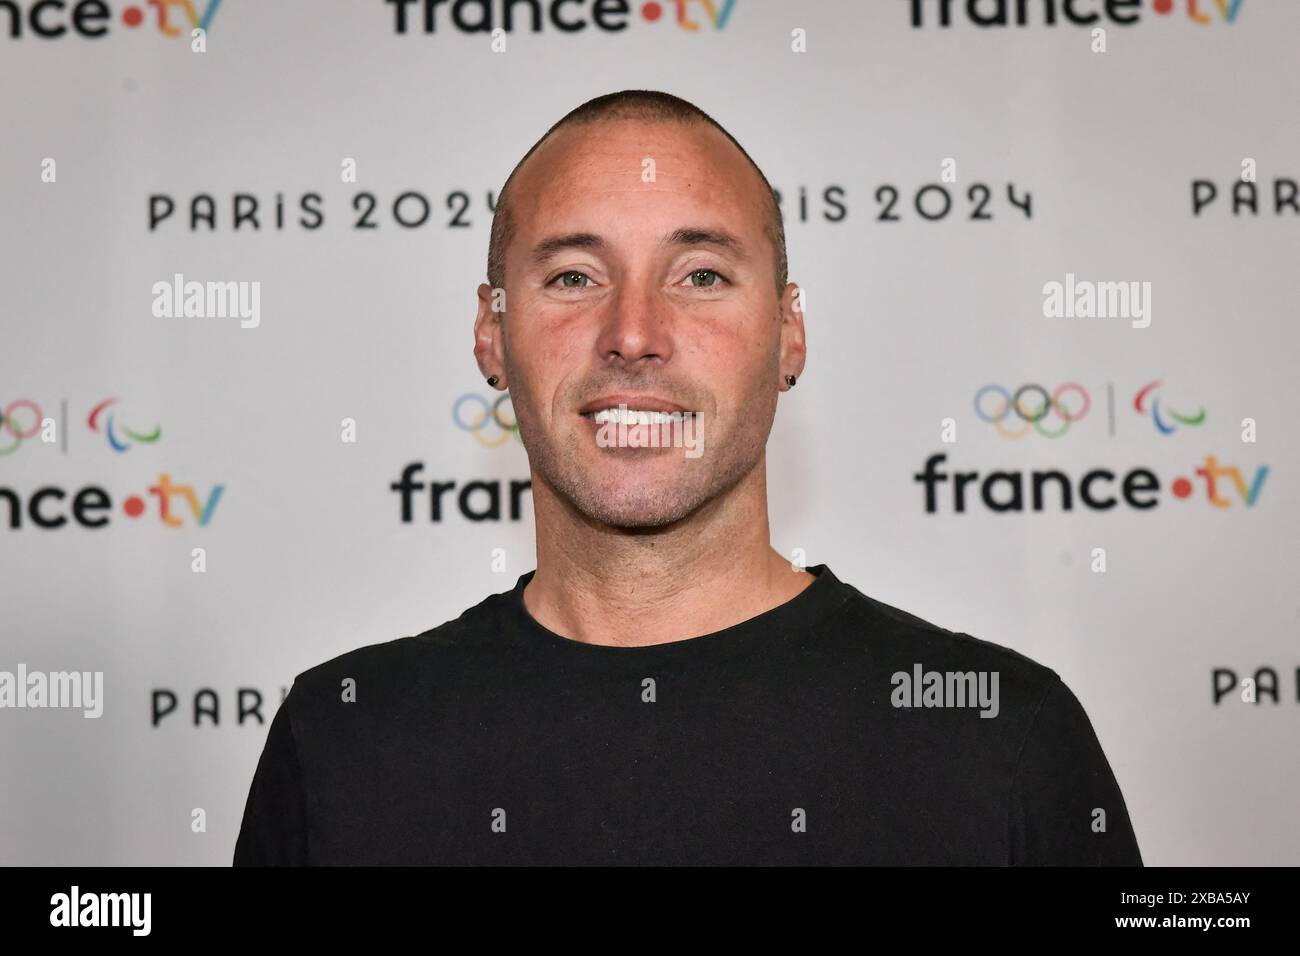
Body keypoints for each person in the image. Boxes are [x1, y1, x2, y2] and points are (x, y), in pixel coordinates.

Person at [234, 89, 1142, 866]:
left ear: (789, 334)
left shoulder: (1002, 736)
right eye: (575, 275)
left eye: (701, 275)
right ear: (490, 332)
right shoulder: (344, 739)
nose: (634, 332)